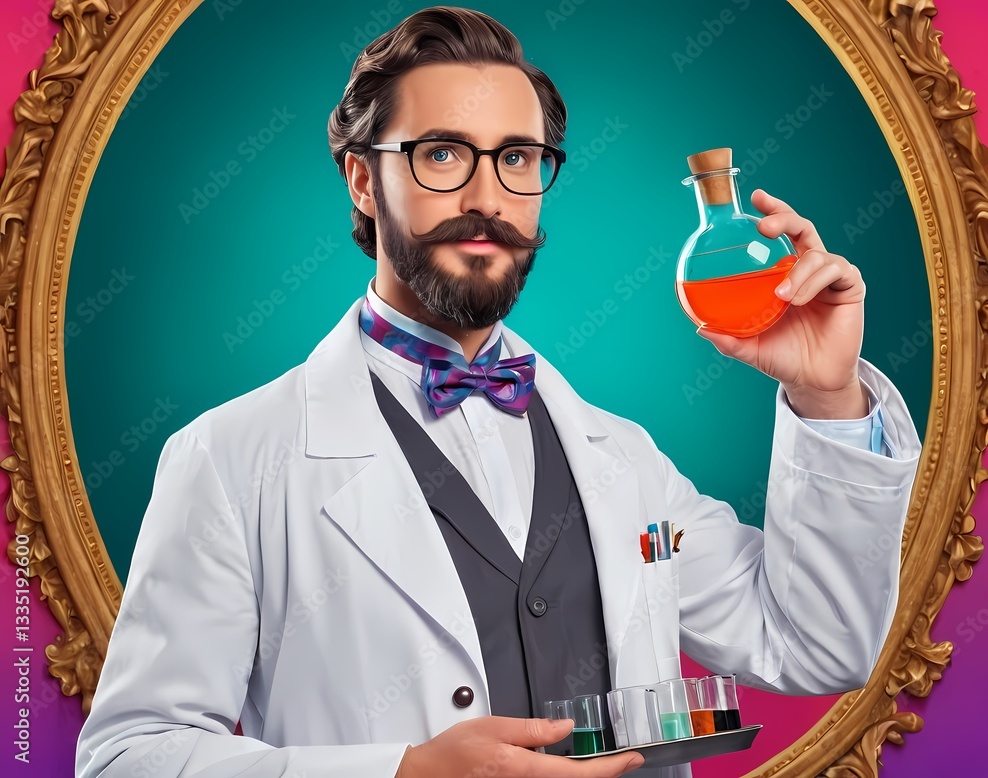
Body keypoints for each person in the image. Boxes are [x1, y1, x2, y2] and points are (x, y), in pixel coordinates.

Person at [75, 6, 920, 778]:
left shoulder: (623, 457)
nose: (487, 198)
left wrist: (827, 396)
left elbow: (816, 645)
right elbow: (127, 757)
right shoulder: (230, 459)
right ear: (363, 180)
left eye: (516, 159)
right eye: (442, 154)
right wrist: (403, 772)